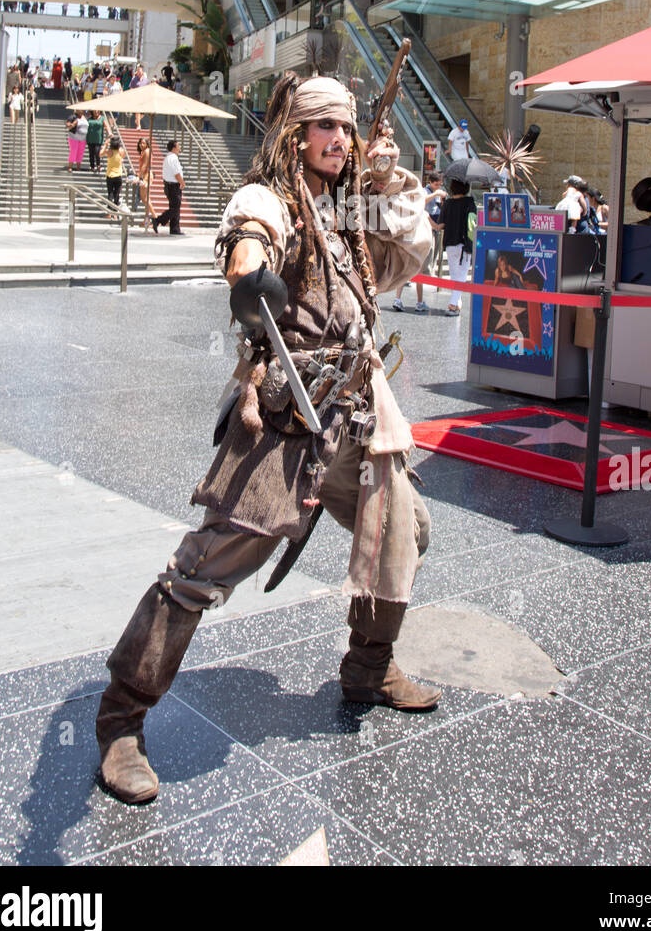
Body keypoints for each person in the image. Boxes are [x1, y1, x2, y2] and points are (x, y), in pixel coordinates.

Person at [95, 72, 438, 805]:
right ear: (293, 134)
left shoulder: (349, 211)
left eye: (345, 129)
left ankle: (367, 669)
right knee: (206, 564)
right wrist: (249, 277)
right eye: (324, 128)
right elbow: (247, 238)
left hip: (357, 414)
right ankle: (121, 719)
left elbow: (413, 251)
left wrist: (389, 179)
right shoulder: (270, 199)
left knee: (402, 528)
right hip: (287, 414)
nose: (337, 141)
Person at [393, 172, 445, 313]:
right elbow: (424, 207)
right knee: (416, 269)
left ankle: (409, 300)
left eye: (440, 184)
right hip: (420, 235)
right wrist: (436, 226)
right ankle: (415, 301)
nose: (438, 187)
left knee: (411, 268)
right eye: (436, 184)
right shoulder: (423, 196)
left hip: (419, 234)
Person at [440, 179, 477, 315]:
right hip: (464, 243)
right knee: (461, 275)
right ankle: (453, 304)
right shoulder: (469, 202)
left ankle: (457, 302)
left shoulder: (447, 203)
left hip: (450, 243)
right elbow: (473, 222)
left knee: (455, 275)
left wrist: (427, 218)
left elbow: (440, 225)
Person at [152, 139, 184, 234]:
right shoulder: (173, 158)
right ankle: (158, 220)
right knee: (175, 208)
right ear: (174, 148)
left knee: (174, 207)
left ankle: (174, 228)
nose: (179, 148)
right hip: (173, 185)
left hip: (169, 185)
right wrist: (182, 182)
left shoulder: (168, 157)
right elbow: (176, 173)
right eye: (178, 146)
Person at [101, 135, 125, 217]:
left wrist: (105, 145)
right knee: (117, 194)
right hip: (118, 175)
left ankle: (109, 212)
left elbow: (100, 154)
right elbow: (123, 158)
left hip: (110, 175)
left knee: (110, 193)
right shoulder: (121, 151)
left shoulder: (109, 151)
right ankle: (115, 212)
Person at [136, 138, 157, 232]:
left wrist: (138, 176)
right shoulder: (144, 152)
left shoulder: (147, 151)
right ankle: (147, 220)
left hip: (147, 175)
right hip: (145, 175)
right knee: (144, 198)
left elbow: (144, 165)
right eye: (140, 143)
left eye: (143, 143)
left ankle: (154, 217)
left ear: (147, 144)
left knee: (145, 198)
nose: (141, 145)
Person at [86, 109, 105, 174]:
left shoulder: (102, 118)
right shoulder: (89, 119)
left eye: (97, 111)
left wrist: (110, 133)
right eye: (95, 111)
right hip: (90, 138)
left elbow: (107, 126)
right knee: (91, 153)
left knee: (97, 152)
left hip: (98, 139)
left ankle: (98, 165)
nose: (96, 112)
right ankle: (92, 167)